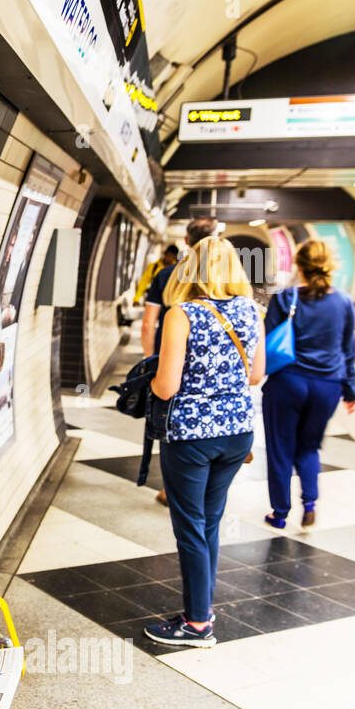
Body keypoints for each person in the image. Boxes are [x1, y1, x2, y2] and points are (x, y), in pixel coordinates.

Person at [144, 237, 265, 647]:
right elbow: (255, 375)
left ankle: (197, 624)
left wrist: (154, 380)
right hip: (237, 433)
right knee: (209, 521)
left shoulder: (183, 313)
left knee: (190, 527)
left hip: (192, 436)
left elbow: (166, 386)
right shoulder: (252, 310)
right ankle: (202, 610)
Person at [261, 239, 355, 529]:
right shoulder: (343, 301)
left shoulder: (285, 297)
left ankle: (279, 513)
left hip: (287, 382)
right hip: (327, 386)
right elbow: (348, 350)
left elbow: (266, 341)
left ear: (298, 265)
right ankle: (310, 503)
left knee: (280, 446)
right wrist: (350, 391)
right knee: (309, 447)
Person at [140, 216, 218, 507]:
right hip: (212, 367)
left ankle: (170, 489)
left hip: (169, 360)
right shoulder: (225, 283)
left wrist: (150, 362)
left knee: (168, 422)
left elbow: (149, 323)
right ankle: (205, 486)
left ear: (186, 241)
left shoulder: (167, 276)